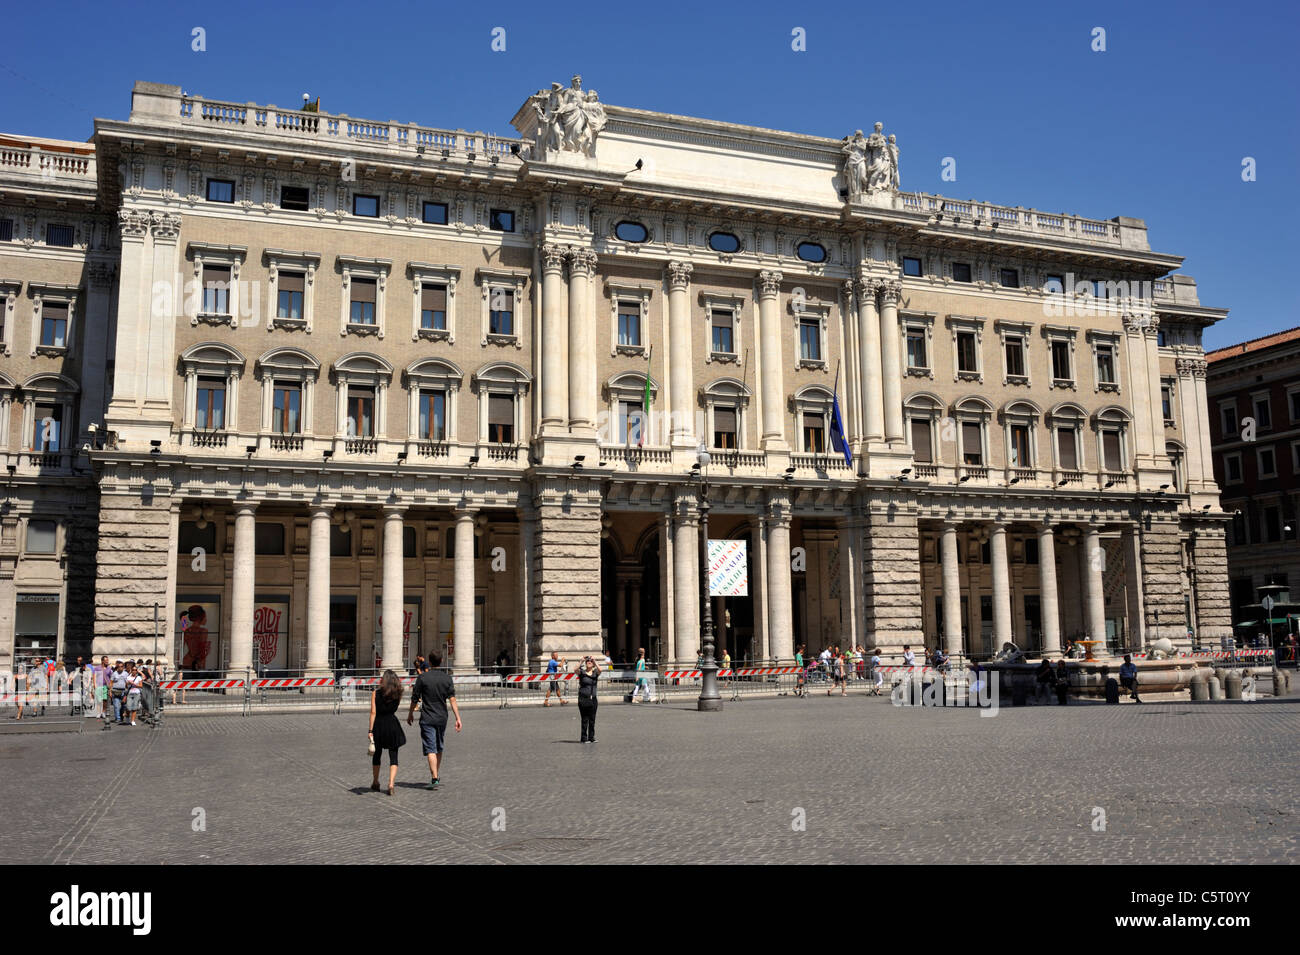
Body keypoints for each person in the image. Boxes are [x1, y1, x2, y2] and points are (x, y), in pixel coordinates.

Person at [406, 653, 461, 790]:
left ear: (429, 662)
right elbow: (452, 699)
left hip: (427, 717)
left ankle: (434, 777)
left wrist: (410, 713)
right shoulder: (447, 678)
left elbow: (415, 698)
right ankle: (436, 774)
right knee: (439, 746)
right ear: (441, 661)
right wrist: (458, 718)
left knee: (431, 748)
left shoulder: (422, 677)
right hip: (442, 717)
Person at [368, 669, 406, 796]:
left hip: (379, 724)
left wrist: (370, 730)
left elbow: (373, 712)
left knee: (377, 755)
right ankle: (391, 783)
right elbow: (394, 708)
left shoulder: (375, 693)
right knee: (393, 756)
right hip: (392, 724)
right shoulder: (398, 693)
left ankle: (375, 781)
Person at [576, 655, 600, 743]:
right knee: (585, 719)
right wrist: (581, 661)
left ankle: (591, 737)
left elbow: (600, 670)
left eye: (590, 661)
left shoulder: (595, 673)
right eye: (587, 661)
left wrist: (595, 661)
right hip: (583, 699)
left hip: (593, 699)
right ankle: (584, 738)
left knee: (592, 719)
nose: (589, 662)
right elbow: (575, 670)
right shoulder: (582, 673)